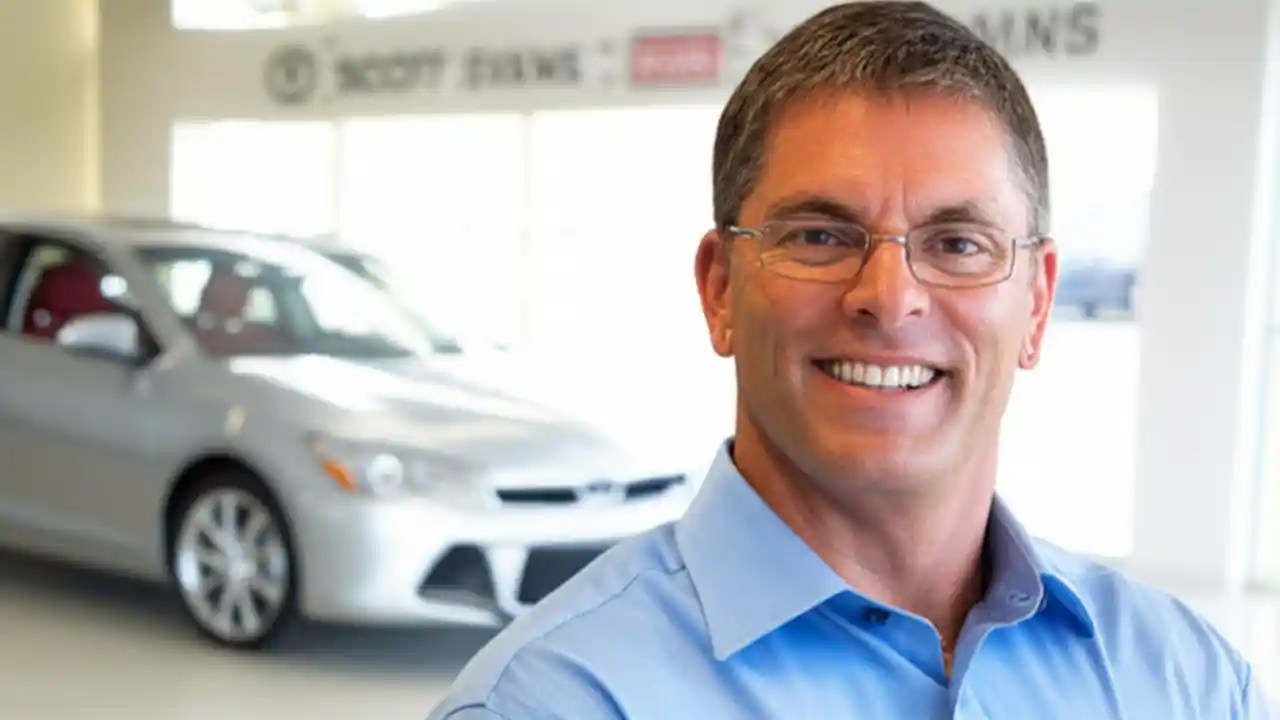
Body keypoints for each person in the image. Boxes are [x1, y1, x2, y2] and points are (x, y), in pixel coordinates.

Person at [429, 3, 1271, 718]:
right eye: (821, 236)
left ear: (1038, 303)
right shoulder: (553, 701)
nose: (890, 296)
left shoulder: (1185, 681)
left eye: (958, 242)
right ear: (721, 289)